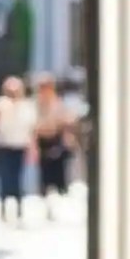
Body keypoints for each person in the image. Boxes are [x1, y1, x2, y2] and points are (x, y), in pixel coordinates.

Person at [0, 76, 35, 223]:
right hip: (2, 146)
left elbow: (31, 128)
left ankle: (18, 209)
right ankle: (4, 208)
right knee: (4, 178)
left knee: (17, 178)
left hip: (19, 146)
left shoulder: (27, 106)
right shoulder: (0, 104)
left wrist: (32, 147)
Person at [31, 74, 75, 220]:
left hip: (55, 142)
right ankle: (47, 205)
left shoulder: (58, 103)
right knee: (44, 177)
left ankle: (55, 204)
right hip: (42, 143)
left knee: (57, 176)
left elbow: (67, 120)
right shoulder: (35, 104)